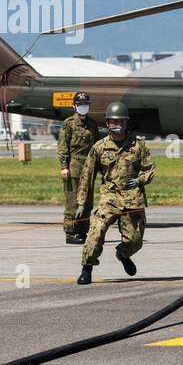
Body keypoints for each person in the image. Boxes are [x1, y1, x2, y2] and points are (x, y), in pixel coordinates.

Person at [75, 102, 155, 285]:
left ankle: (123, 254)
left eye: (120, 121)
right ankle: (87, 268)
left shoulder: (138, 145)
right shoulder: (99, 147)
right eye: (112, 121)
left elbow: (149, 168)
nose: (116, 124)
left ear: (126, 123)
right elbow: (87, 175)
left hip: (132, 197)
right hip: (109, 197)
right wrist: (81, 203)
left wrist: (141, 180)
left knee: (135, 240)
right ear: (107, 123)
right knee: (96, 232)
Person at [57, 91, 97, 244]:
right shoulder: (69, 124)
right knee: (72, 202)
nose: (83, 107)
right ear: (74, 106)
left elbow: (97, 147)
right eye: (80, 105)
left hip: (89, 169)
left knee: (87, 203)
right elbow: (62, 147)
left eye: (85, 104)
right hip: (73, 168)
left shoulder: (92, 125)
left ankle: (82, 231)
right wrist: (63, 166)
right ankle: (71, 232)